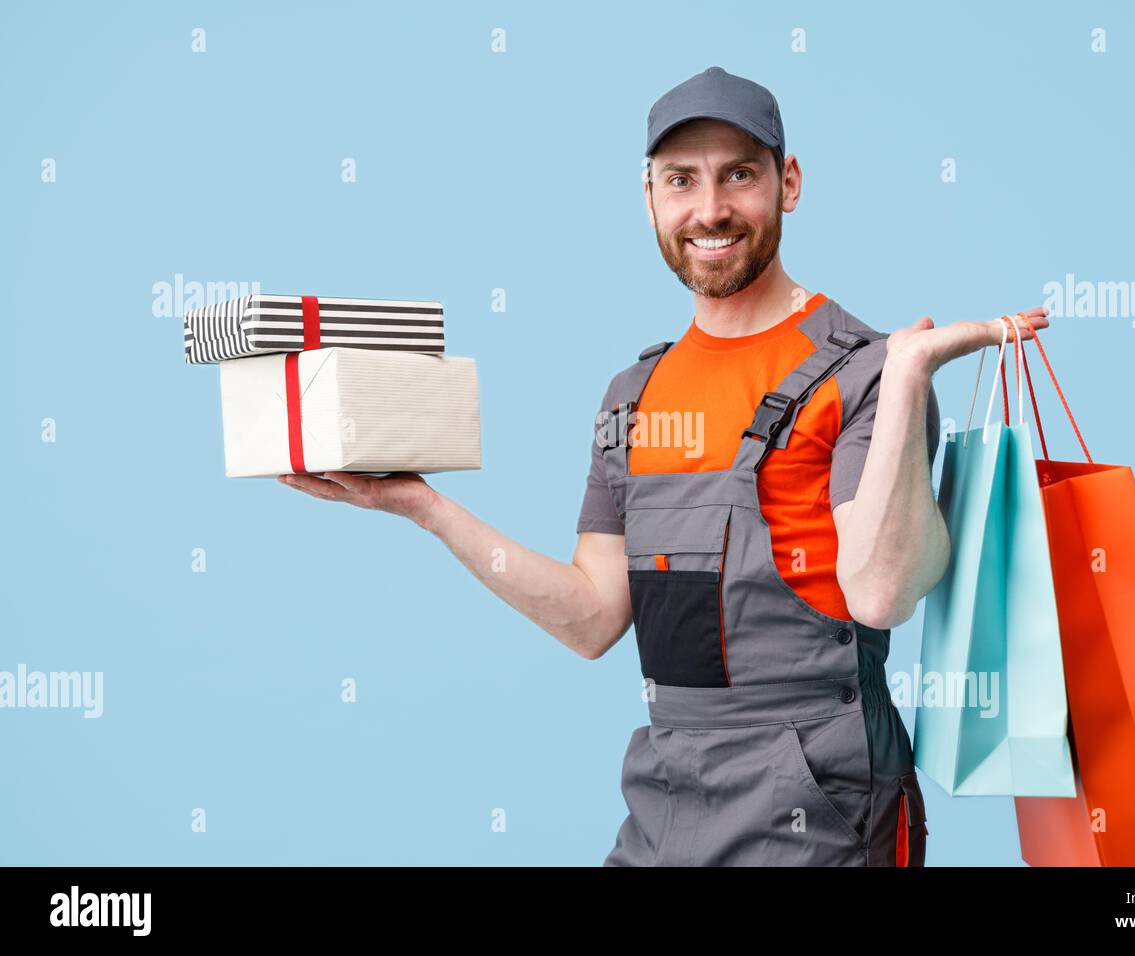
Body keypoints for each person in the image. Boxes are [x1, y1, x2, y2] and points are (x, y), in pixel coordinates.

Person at [279, 65, 1048, 866]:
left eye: (739, 175)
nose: (710, 209)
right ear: (648, 195)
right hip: (668, 798)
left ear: (788, 183)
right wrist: (422, 507)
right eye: (682, 180)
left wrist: (910, 378)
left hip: (817, 807)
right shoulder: (633, 396)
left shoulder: (867, 374)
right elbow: (591, 617)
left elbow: (882, 593)